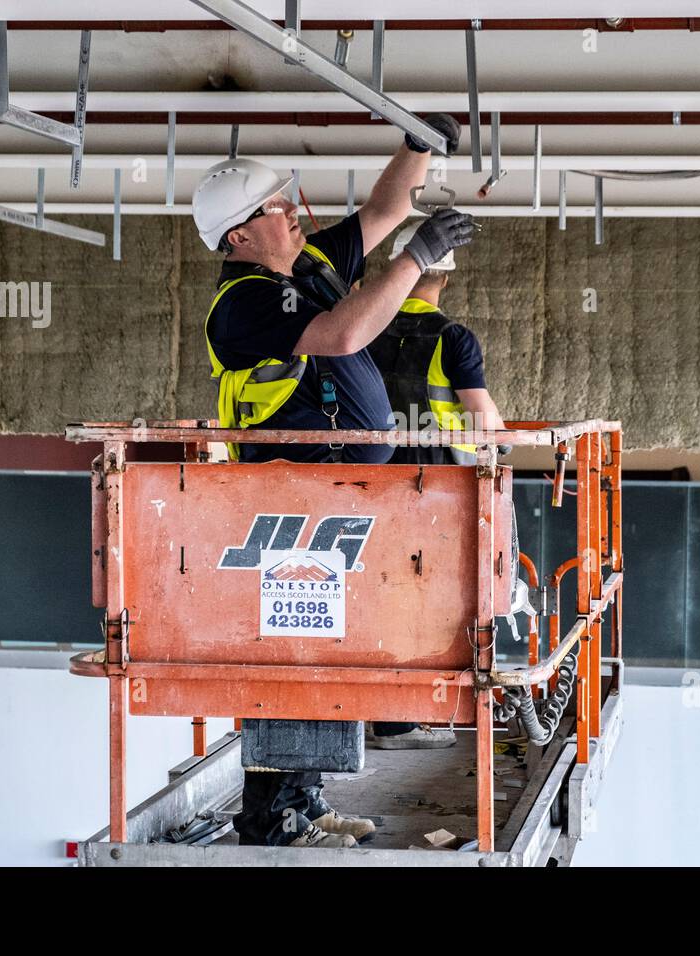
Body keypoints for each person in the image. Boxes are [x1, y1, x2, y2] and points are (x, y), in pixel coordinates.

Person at [191, 114, 475, 849]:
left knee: (322, 647)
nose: (291, 210)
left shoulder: (309, 268)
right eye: (273, 207)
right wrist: (416, 261)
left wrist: (418, 148)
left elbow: (383, 212)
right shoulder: (245, 304)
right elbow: (346, 336)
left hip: (330, 492)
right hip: (290, 494)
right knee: (292, 652)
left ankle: (303, 804)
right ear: (240, 238)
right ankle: (274, 821)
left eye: (287, 198)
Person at [364, 224, 507, 750]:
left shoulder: (363, 328)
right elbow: (481, 415)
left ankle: (372, 712)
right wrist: (497, 441)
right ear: (445, 279)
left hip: (369, 478)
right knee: (422, 597)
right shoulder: (453, 338)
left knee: (374, 592)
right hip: (433, 484)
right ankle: (399, 722)